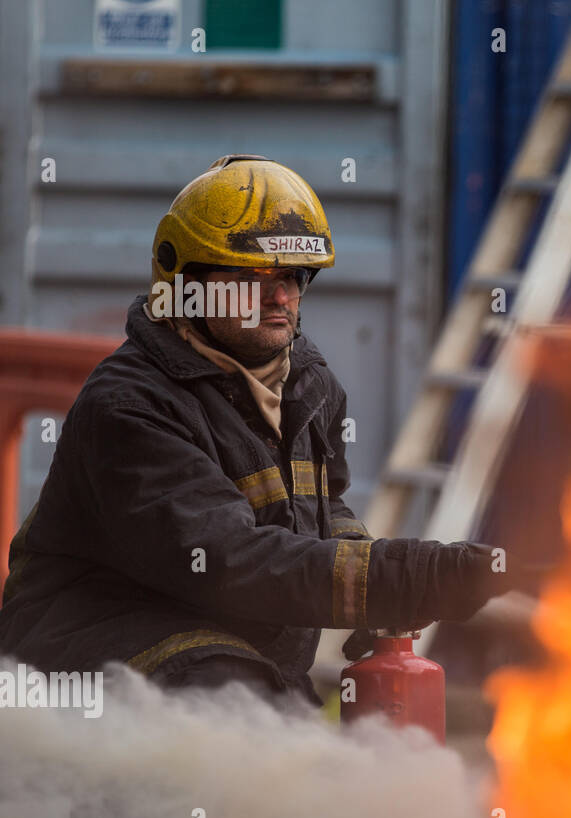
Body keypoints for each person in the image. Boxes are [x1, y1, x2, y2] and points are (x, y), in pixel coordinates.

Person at [0, 154, 513, 709]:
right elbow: (226, 560)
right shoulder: (130, 406)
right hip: (85, 669)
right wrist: (405, 576)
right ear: (186, 282)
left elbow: (318, 510)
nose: (281, 296)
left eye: (293, 277)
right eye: (253, 277)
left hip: (234, 655)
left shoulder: (309, 385)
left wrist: (371, 580)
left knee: (276, 717)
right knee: (236, 698)